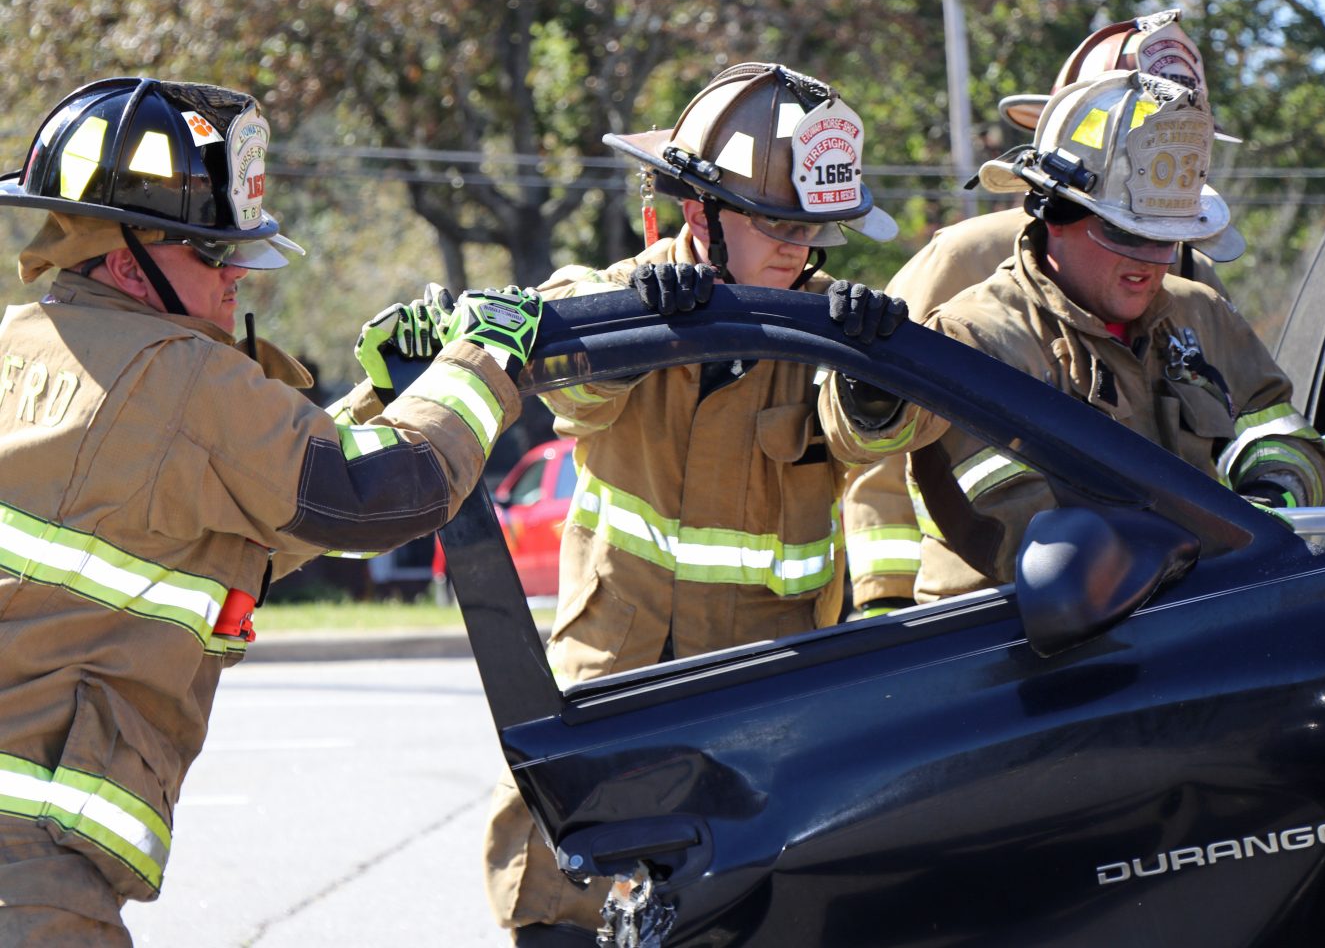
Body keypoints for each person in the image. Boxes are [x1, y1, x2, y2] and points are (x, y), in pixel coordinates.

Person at [0, 77, 543, 946]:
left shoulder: (23, 347)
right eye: (214, 254)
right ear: (121, 252)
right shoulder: (179, 372)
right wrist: (481, 365)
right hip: (25, 876)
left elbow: (240, 521)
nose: (238, 278)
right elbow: (377, 493)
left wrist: (378, 399)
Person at [482, 61, 905, 945]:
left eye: (813, 227)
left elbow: (873, 435)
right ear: (698, 212)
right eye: (775, 222)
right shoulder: (626, 294)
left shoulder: (824, 326)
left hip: (765, 685)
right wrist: (630, 330)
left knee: (750, 912)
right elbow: (562, 371)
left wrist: (876, 370)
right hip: (618, 661)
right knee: (554, 884)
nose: (797, 247)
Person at [822, 69, 1325, 601]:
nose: (1151, 263)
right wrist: (870, 383)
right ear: (1054, 212)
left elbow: (1278, 429)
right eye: (1125, 233)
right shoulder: (977, 337)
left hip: (1192, 619)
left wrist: (1272, 500)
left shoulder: (1200, 314)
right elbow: (1013, 524)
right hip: (1017, 646)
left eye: (1168, 238)